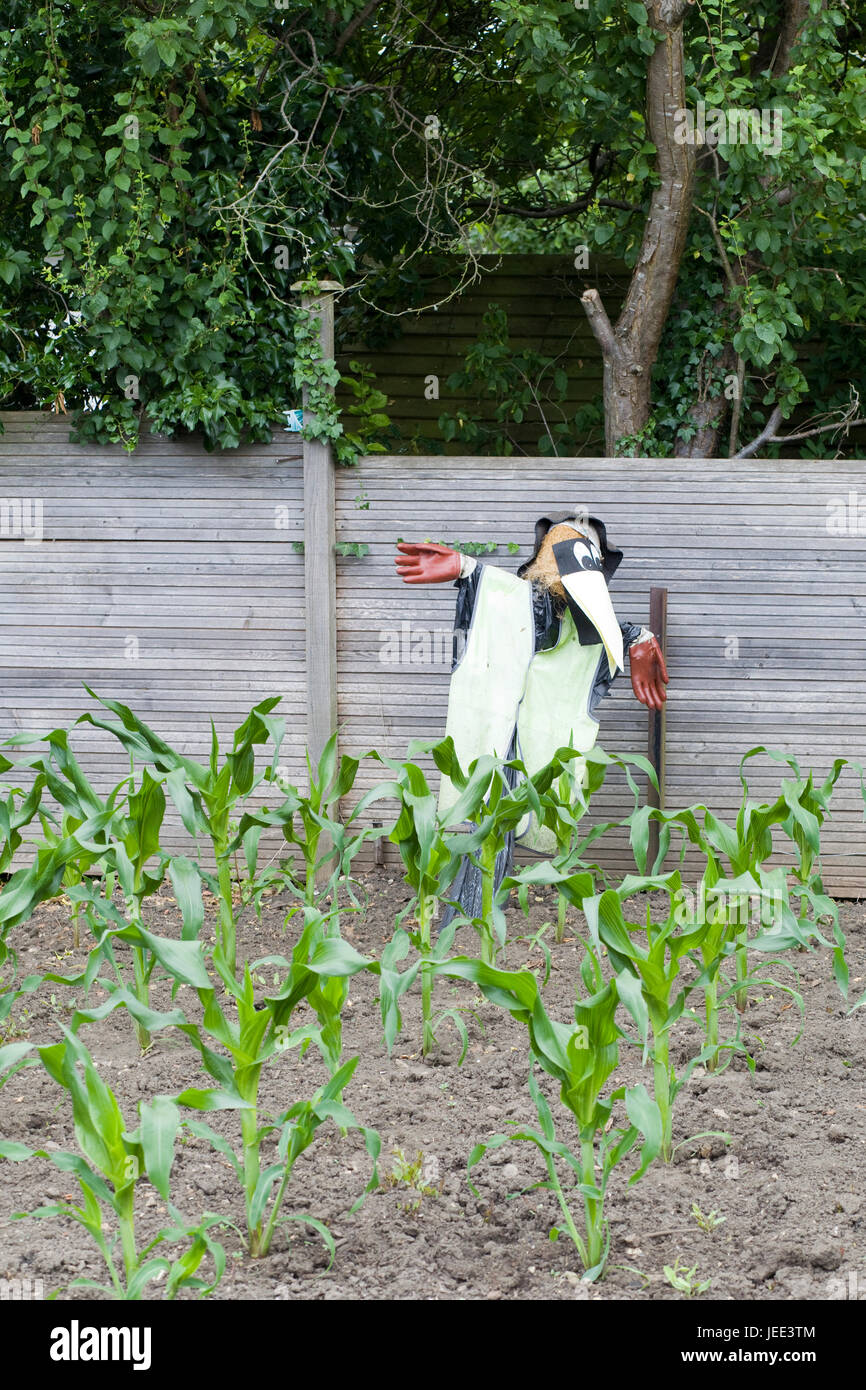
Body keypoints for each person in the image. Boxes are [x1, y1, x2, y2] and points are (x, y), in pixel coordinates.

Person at [394, 508, 669, 921]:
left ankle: (481, 911)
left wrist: (638, 636)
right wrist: (468, 569)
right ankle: (470, 914)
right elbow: (523, 602)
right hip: (500, 729)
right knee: (490, 815)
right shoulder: (526, 599)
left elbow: (590, 624)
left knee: (507, 814)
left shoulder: (584, 619)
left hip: (537, 736)